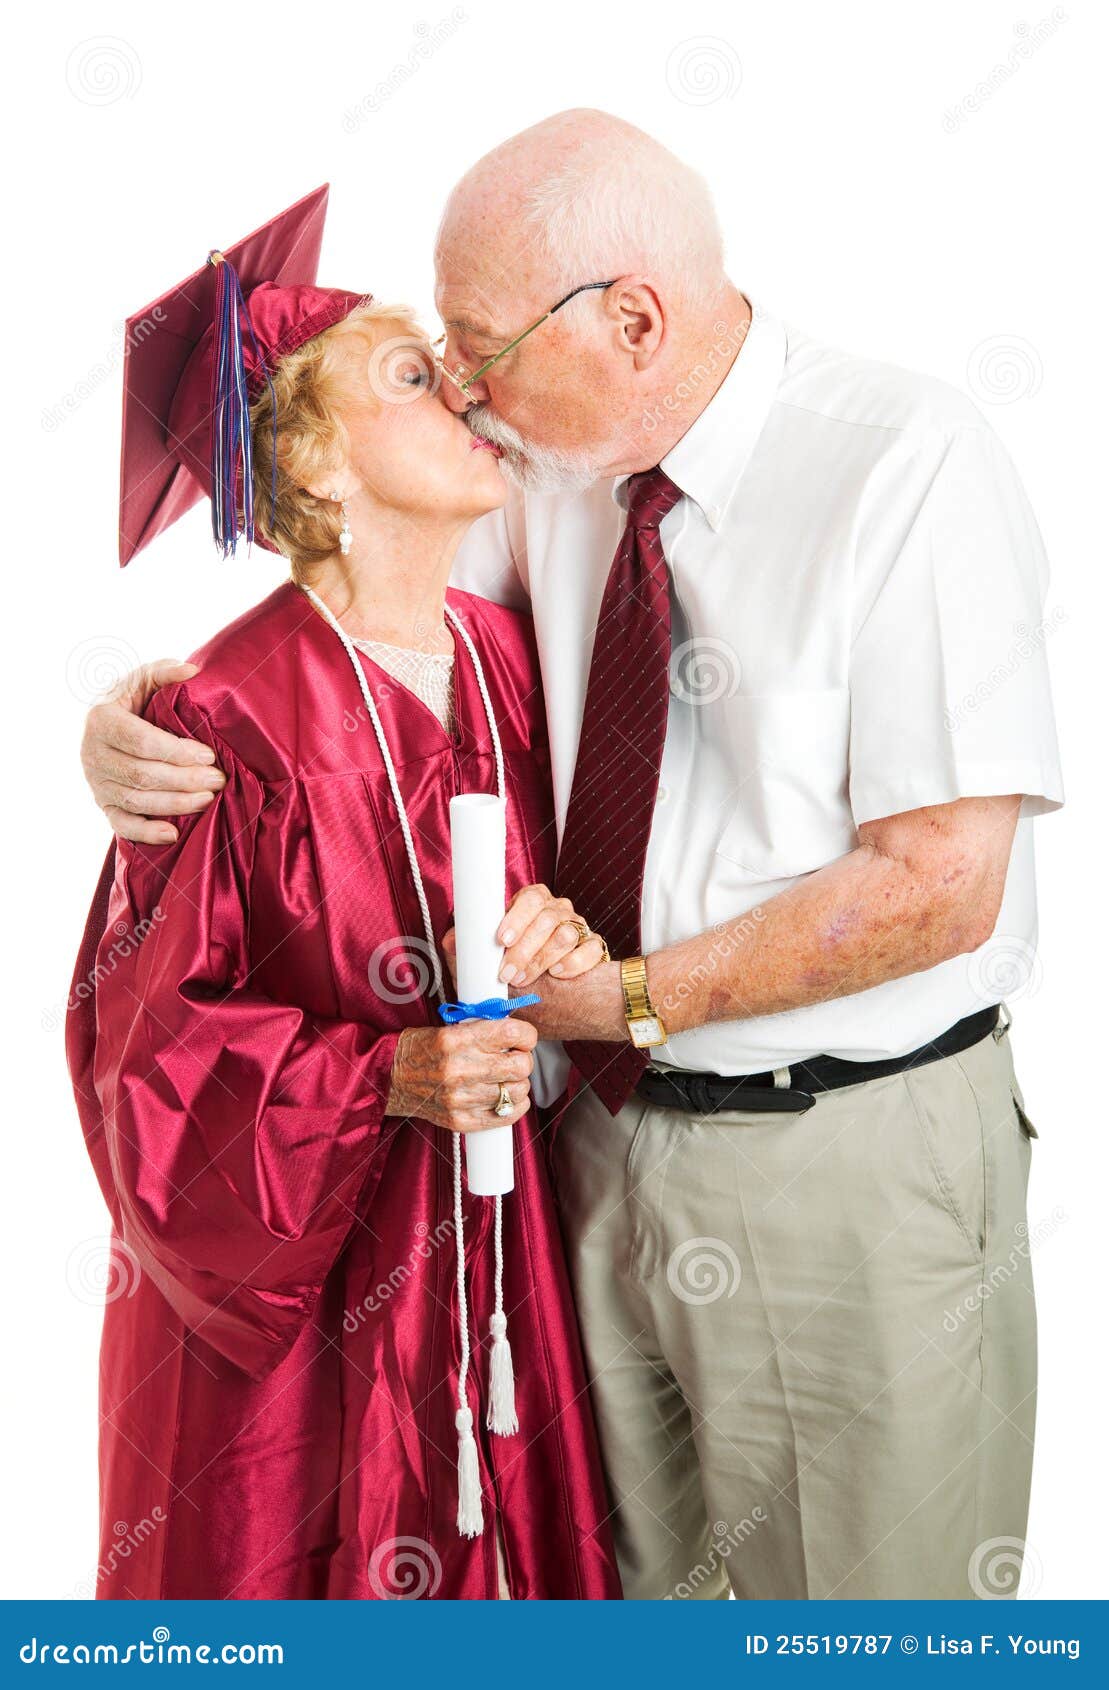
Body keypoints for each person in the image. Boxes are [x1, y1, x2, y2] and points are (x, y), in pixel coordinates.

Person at [81, 114, 1064, 1601]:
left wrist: (626, 997)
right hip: (582, 1170)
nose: (468, 390)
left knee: (882, 1614)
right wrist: (131, 720)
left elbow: (937, 881)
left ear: (632, 317)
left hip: (838, 1161)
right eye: (433, 366)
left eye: (469, 348)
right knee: (639, 1609)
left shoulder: (903, 463)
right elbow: (344, 621)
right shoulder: (541, 483)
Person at [66, 185, 621, 1601]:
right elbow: (147, 1072)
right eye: (412, 376)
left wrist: (555, 938)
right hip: (296, 1327)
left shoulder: (512, 660)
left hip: (493, 1261)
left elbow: (575, 904)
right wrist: (383, 1077)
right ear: (312, 463)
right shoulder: (217, 721)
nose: (463, 394)